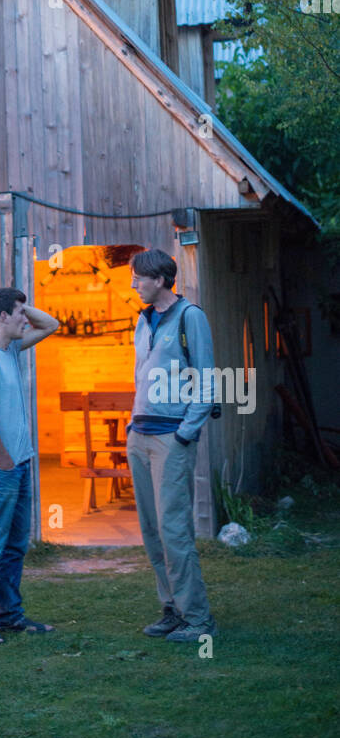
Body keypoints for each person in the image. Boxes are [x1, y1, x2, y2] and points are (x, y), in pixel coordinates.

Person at [126, 248, 218, 642]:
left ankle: (198, 620)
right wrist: (133, 426)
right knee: (151, 529)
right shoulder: (143, 321)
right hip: (140, 435)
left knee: (174, 529)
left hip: (171, 438)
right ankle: (172, 609)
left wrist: (185, 432)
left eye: (139, 278)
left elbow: (209, 380)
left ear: (160, 280)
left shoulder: (190, 317)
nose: (134, 284)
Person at [0, 287, 59, 644]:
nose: (25, 318)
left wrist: (12, 302)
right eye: (19, 312)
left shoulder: (10, 348)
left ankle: (10, 617)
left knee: (16, 546)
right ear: (3, 317)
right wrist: (4, 463)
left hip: (19, 464)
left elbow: (52, 324)